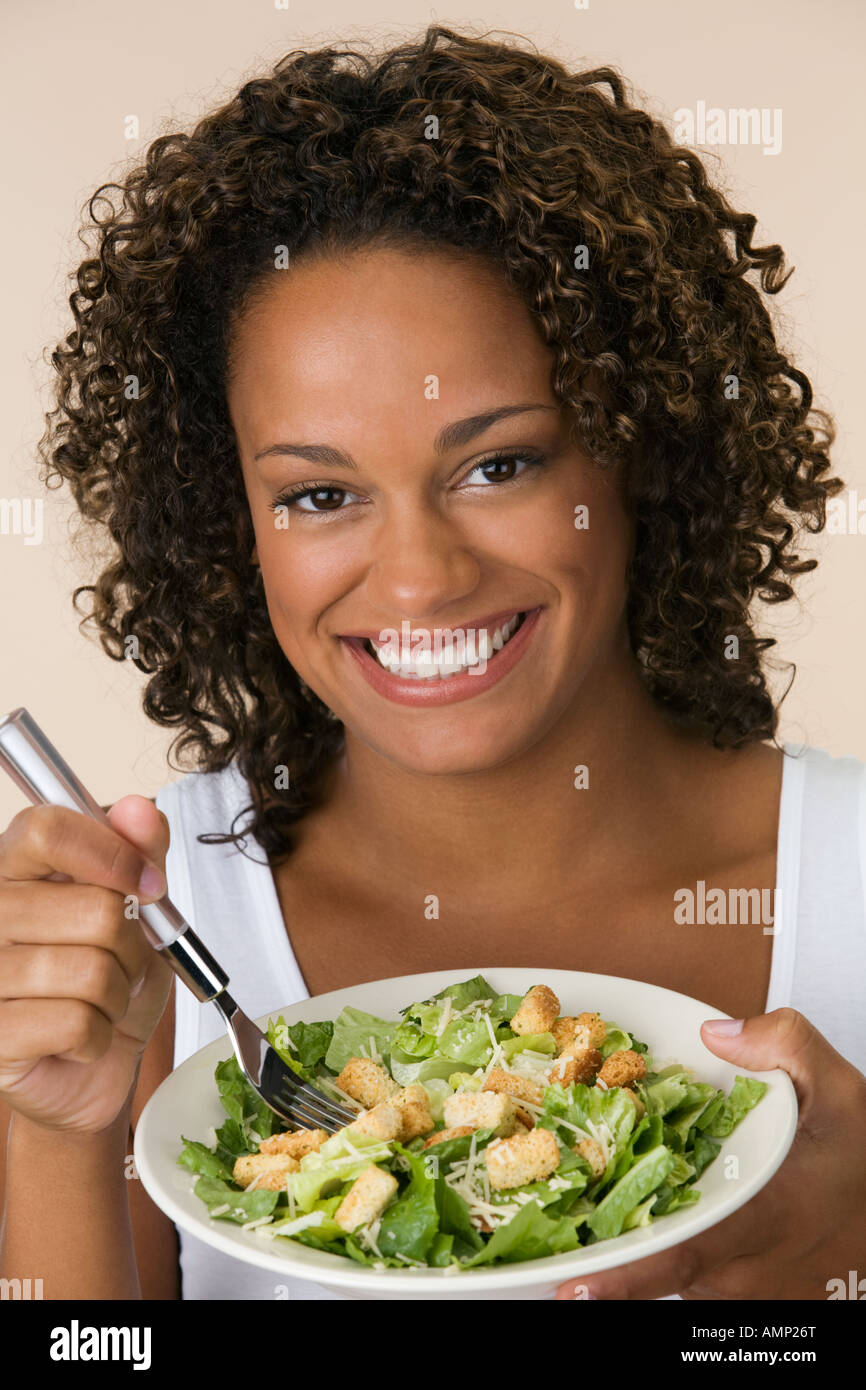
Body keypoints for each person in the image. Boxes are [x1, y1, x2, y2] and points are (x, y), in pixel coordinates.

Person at [1, 25, 864, 1303]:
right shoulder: (129, 947)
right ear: (224, 520)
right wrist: (51, 1137)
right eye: (317, 495)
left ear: (641, 445)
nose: (416, 581)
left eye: (497, 465)